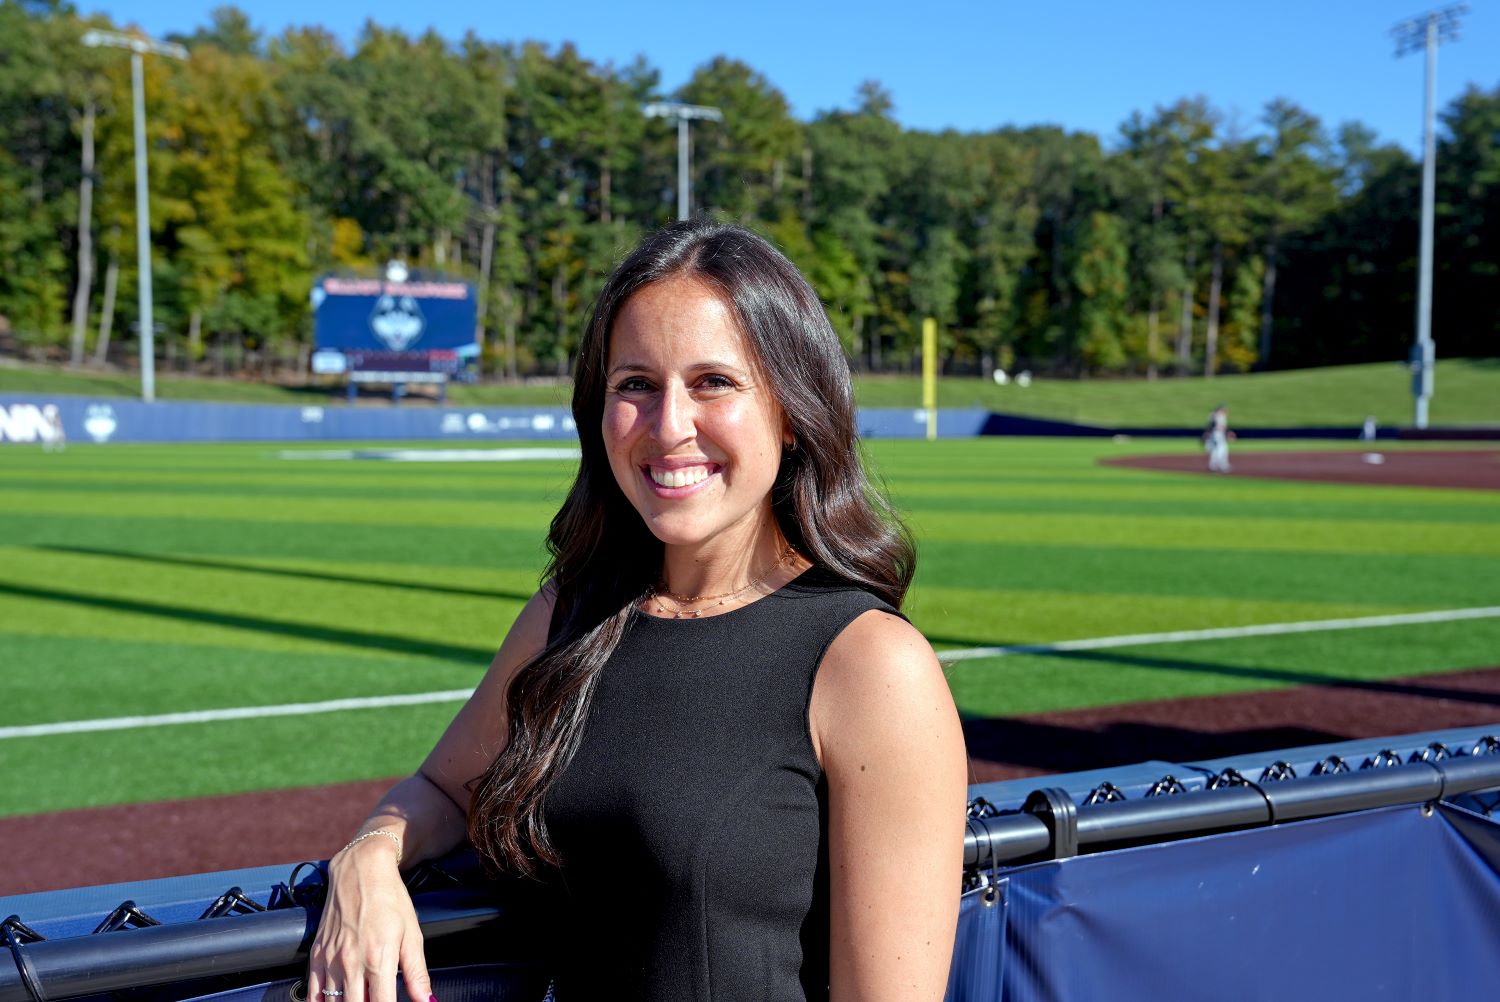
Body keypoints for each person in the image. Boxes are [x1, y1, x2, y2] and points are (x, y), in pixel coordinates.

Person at [308, 220, 967, 1002]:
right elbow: (447, 789)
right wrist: (371, 855)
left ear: (792, 412)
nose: (669, 426)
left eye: (713, 382)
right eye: (636, 385)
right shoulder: (571, 614)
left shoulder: (869, 664)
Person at [1204, 404, 1232, 473]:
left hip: (1215, 435)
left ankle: (1213, 465)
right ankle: (1222, 465)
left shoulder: (1213, 415)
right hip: (1217, 435)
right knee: (1222, 449)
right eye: (1225, 409)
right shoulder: (1219, 416)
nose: (1226, 411)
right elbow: (1220, 426)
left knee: (1215, 450)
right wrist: (1228, 433)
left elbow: (1210, 426)